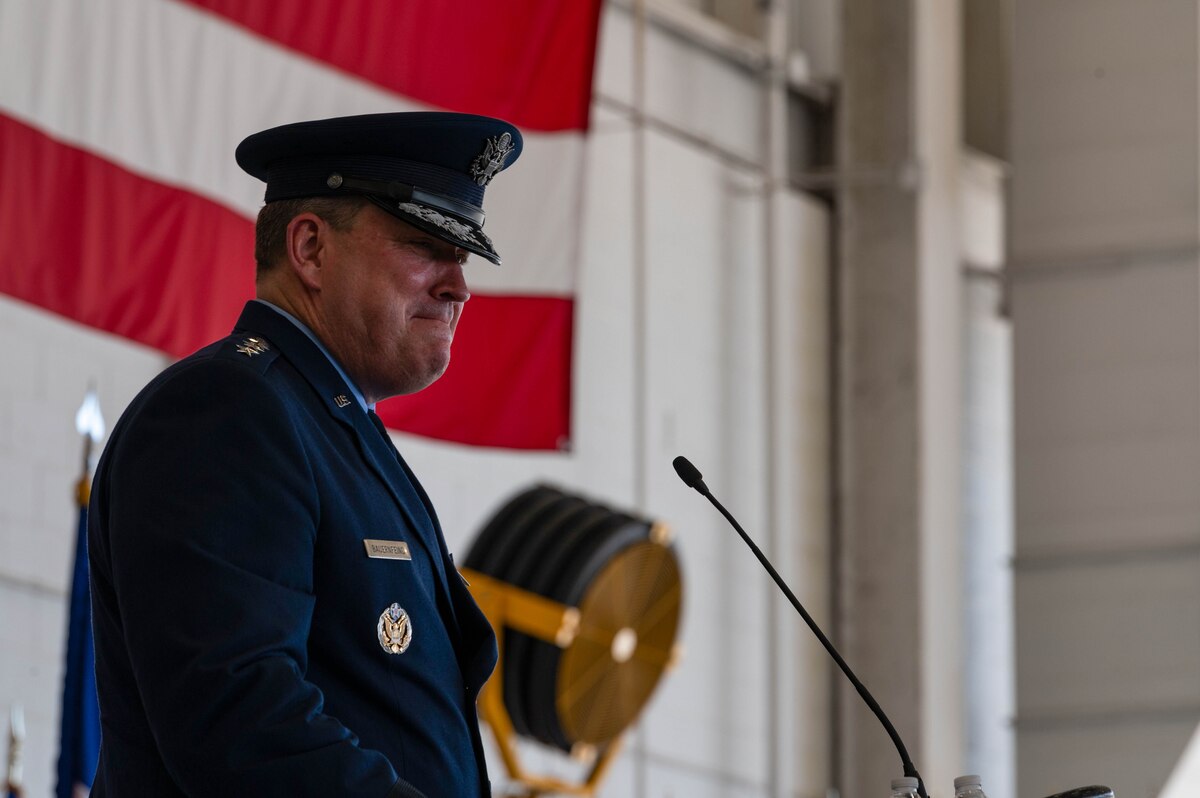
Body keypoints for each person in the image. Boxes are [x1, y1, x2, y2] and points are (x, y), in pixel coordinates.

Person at [87, 112, 522, 797]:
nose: (457, 287)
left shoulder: (331, 428)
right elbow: (240, 723)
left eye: (462, 258)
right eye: (423, 246)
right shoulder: (227, 412)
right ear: (311, 248)